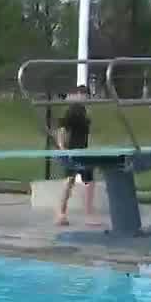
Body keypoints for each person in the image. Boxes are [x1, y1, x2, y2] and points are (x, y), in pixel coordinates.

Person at [55, 92, 99, 227]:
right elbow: (61, 130)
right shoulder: (73, 111)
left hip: (83, 152)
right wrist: (62, 148)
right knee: (70, 181)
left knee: (89, 183)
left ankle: (89, 214)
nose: (87, 98)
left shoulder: (85, 113)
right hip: (72, 152)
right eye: (84, 96)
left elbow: (86, 135)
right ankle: (60, 213)